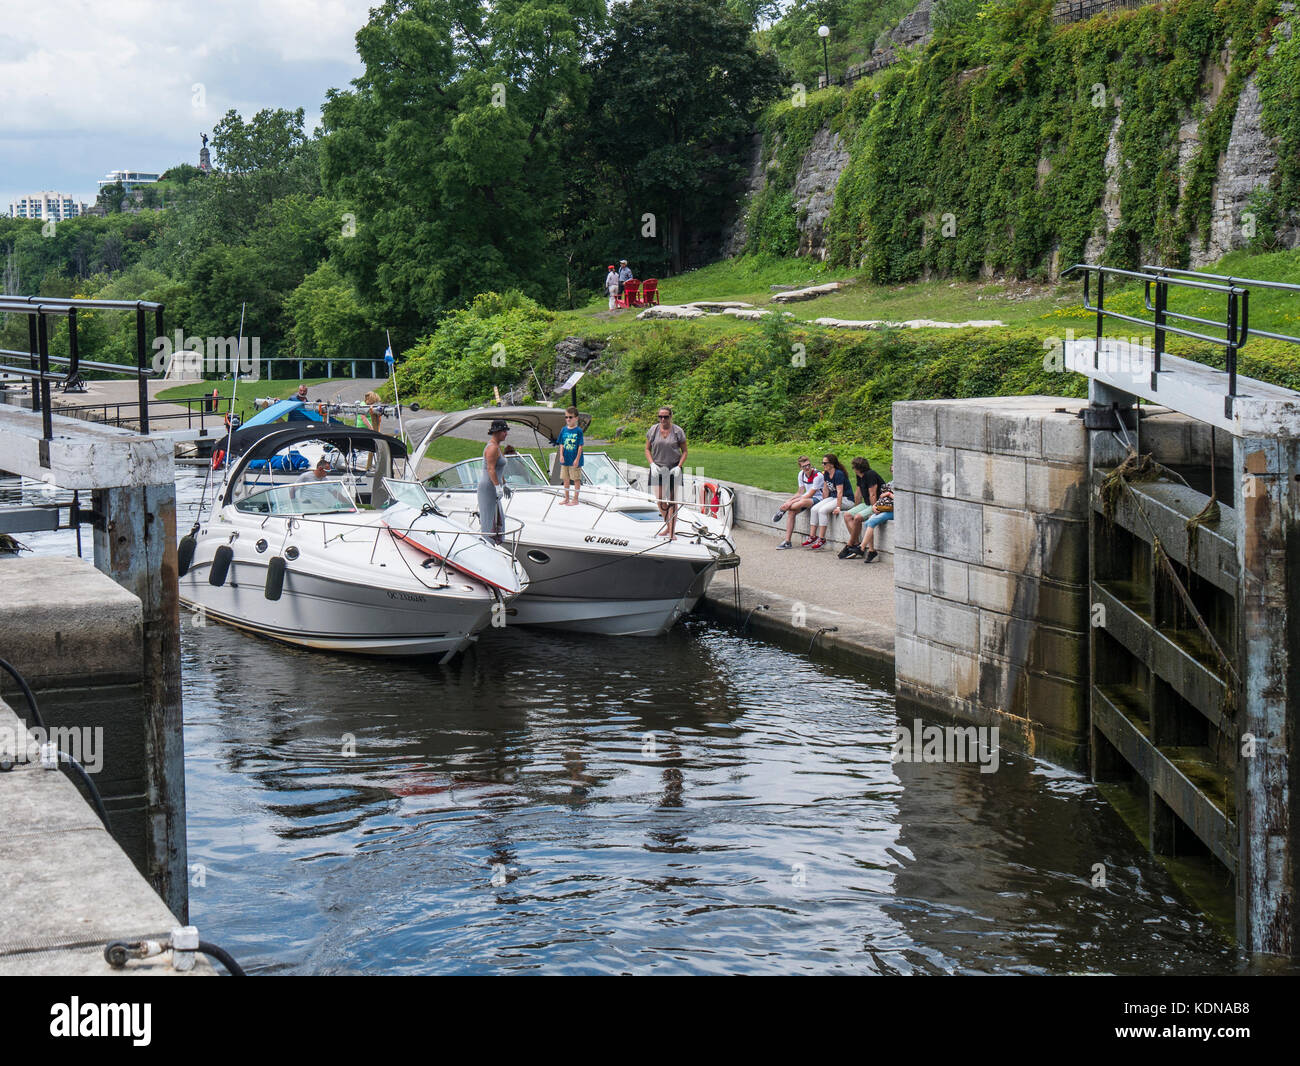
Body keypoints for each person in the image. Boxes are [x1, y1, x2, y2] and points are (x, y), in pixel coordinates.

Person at [644, 405, 687, 540]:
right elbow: (647, 449)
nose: (662, 419)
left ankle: (672, 532)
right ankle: (668, 526)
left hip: (673, 468)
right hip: (658, 468)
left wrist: (679, 466)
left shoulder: (677, 431)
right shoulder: (653, 430)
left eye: (665, 416)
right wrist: (651, 464)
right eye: (660, 416)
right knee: (660, 501)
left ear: (670, 417)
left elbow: (685, 451)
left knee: (672, 501)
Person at [838, 457, 887, 559]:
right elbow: (858, 493)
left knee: (857, 518)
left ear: (858, 468)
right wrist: (857, 507)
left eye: (853, 467)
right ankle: (856, 544)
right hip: (867, 503)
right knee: (847, 515)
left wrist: (873, 509)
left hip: (877, 503)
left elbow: (873, 494)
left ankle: (850, 545)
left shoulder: (870, 474)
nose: (853, 469)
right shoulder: (859, 475)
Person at [773, 456, 823, 549]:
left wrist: (788, 504)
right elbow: (800, 492)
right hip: (807, 499)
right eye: (804, 466)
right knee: (792, 512)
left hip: (819, 498)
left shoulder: (818, 475)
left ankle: (782, 510)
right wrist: (789, 501)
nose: (807, 468)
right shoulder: (801, 474)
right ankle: (787, 541)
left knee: (800, 502)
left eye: (808, 465)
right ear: (800, 467)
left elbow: (810, 494)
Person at [806, 454, 851, 550]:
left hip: (846, 499)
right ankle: (812, 536)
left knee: (822, 511)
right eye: (822, 463)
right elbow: (825, 489)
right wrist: (824, 500)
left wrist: (838, 507)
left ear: (832, 464)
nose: (823, 465)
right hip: (834, 497)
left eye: (825, 463)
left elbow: (840, 492)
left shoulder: (838, 474)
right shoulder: (826, 473)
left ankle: (821, 538)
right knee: (814, 509)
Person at [477, 419, 511, 544]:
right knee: (489, 520)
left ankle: (493, 544)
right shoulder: (492, 448)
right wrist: (497, 487)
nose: (506, 433)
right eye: (504, 431)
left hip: (494, 487)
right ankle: (487, 544)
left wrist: (505, 483)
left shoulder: (497, 447)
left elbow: (498, 469)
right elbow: (490, 469)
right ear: (496, 432)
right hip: (488, 488)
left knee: (498, 518)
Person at [861, 482, 894, 563]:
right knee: (867, 523)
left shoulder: (903, 483)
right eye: (892, 470)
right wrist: (874, 506)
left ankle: (861, 547)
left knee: (872, 522)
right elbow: (882, 498)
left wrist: (889, 494)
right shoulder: (890, 483)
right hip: (884, 509)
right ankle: (871, 550)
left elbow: (903, 501)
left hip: (893, 511)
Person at [558, 406, 584, 505]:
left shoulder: (578, 431)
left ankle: (575, 499)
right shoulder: (563, 429)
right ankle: (566, 498)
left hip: (575, 459)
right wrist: (561, 455)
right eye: (566, 417)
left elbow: (580, 446)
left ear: (576, 418)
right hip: (565, 459)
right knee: (565, 478)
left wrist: (577, 459)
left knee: (576, 479)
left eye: (570, 417)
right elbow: (561, 443)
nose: (568, 419)